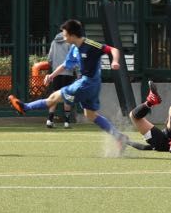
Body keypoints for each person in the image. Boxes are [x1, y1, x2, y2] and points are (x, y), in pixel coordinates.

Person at [8, 20, 132, 152]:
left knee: (54, 97)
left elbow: (113, 49)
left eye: (65, 34)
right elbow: (66, 65)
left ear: (73, 35)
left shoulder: (90, 45)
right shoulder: (74, 48)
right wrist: (51, 76)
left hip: (87, 84)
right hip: (90, 84)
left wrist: (115, 62)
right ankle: (119, 137)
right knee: (90, 115)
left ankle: (25, 107)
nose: (63, 37)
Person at [45, 31, 79, 128]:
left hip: (56, 73)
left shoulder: (53, 42)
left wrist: (55, 68)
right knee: (67, 96)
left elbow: (49, 59)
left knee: (55, 96)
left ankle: (49, 120)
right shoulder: (70, 43)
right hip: (68, 73)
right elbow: (73, 59)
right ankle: (67, 122)